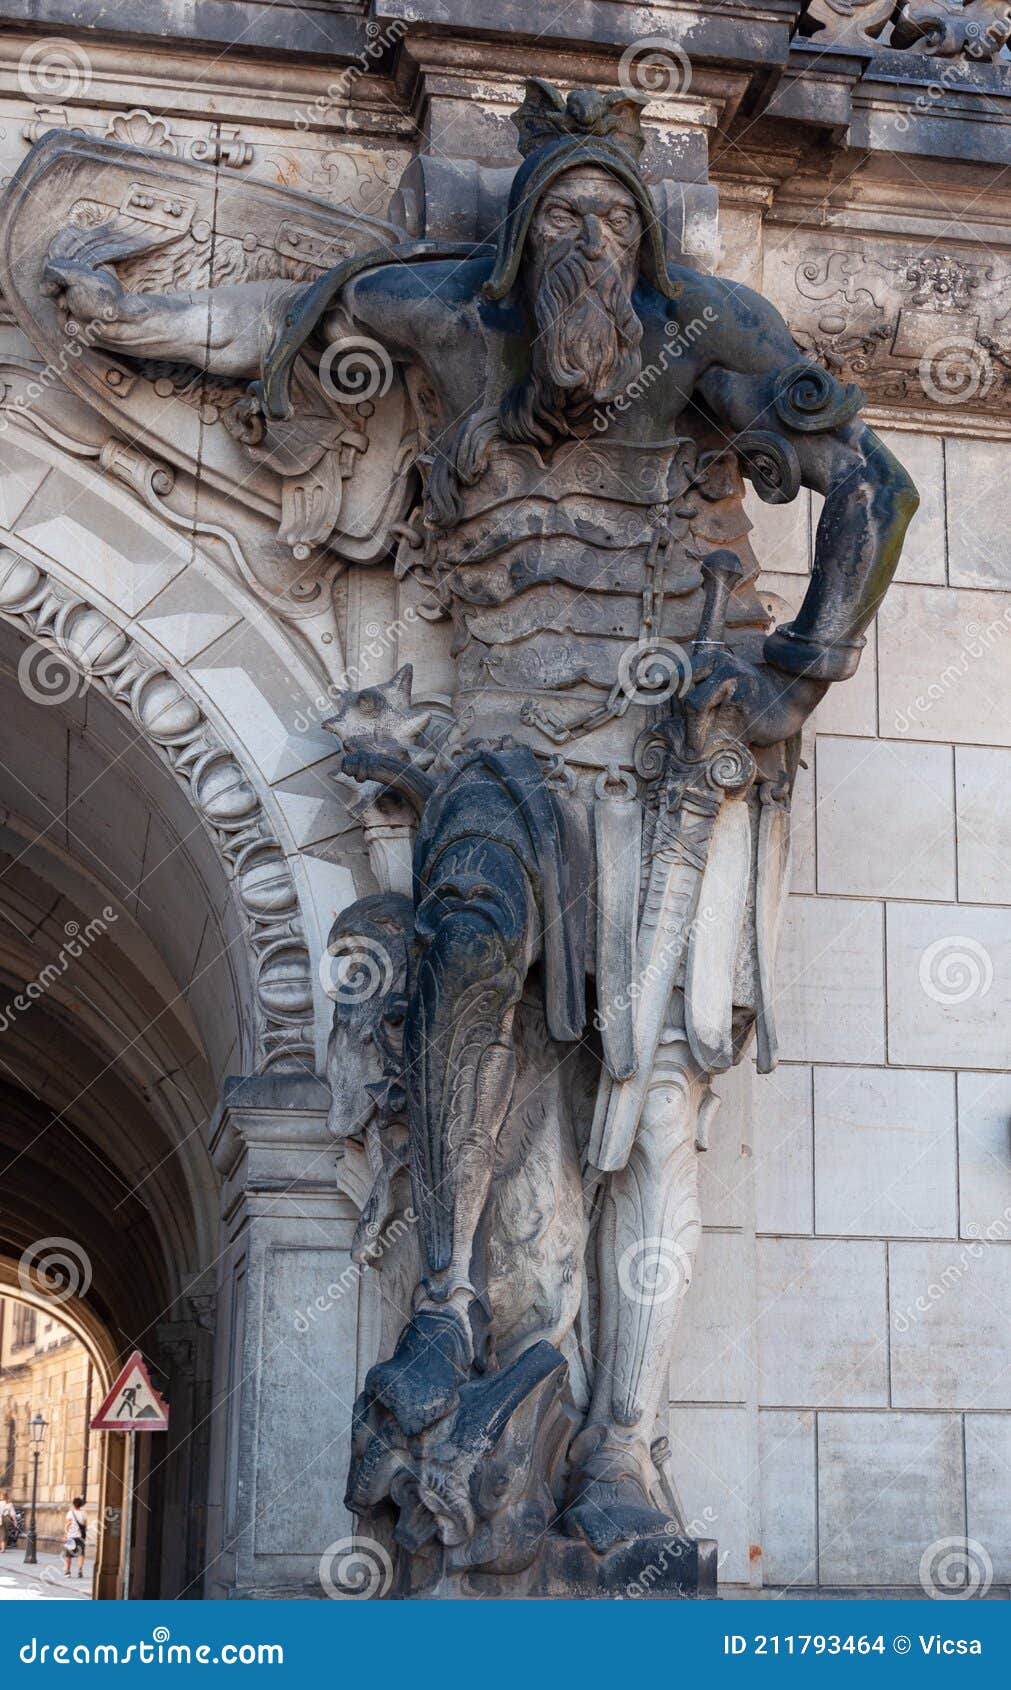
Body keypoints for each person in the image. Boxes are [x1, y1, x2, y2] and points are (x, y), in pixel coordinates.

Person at [63, 1496, 87, 1579]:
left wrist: (66, 1535)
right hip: (80, 1537)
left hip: (71, 1537)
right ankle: (80, 1570)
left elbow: (67, 1525)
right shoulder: (83, 1513)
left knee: (69, 1555)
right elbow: (85, 1525)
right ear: (81, 1505)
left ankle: (68, 1571)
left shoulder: (70, 1513)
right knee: (81, 1554)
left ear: (73, 1504)